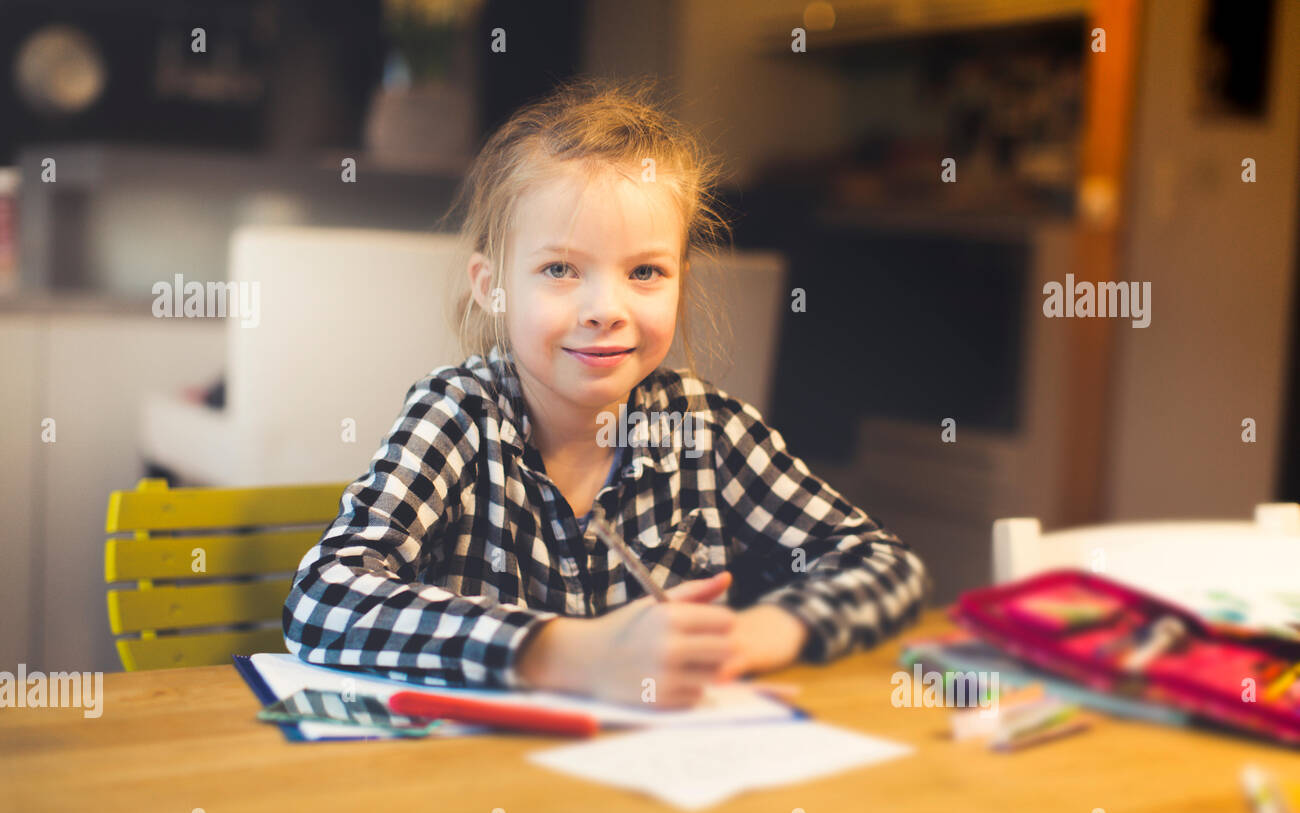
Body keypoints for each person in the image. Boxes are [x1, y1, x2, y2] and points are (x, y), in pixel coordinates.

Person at [283, 77, 929, 709]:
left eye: (645, 272)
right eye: (560, 269)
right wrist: (569, 653)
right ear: (491, 286)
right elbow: (322, 597)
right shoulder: (458, 417)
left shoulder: (705, 427)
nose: (606, 309)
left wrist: (756, 634)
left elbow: (884, 565)